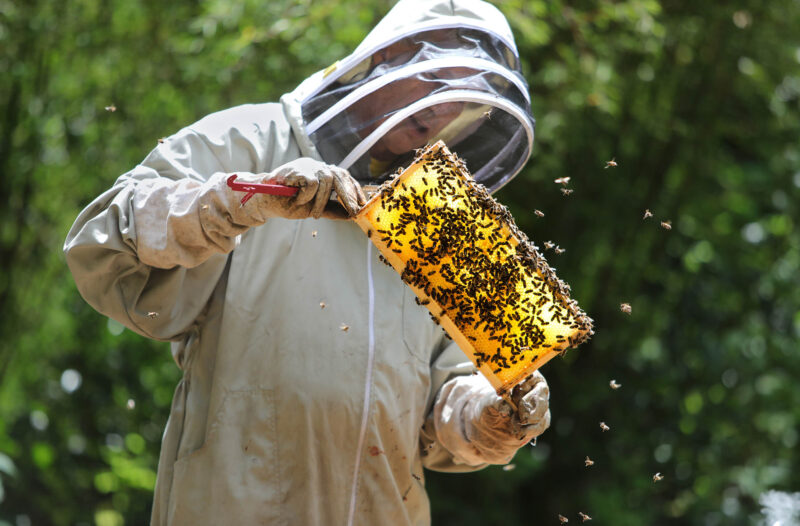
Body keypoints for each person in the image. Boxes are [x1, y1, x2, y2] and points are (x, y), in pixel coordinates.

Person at [64, 0, 548, 524]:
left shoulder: (446, 216)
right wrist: (241, 199)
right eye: (433, 80)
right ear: (387, 57)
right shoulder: (251, 137)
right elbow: (104, 242)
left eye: (461, 98)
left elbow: (449, 396)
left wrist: (488, 413)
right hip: (235, 503)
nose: (441, 109)